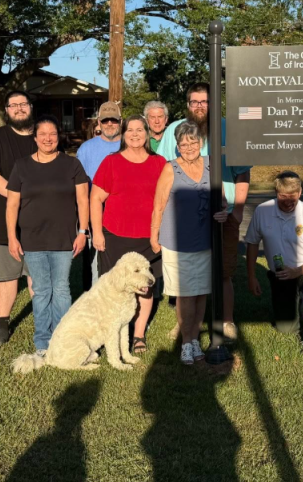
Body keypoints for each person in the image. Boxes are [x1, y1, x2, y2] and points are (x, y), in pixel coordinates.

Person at [156, 82, 251, 342]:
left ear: (213, 103)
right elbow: (163, 170)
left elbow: (243, 171)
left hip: (223, 214)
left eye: (205, 101)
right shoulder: (173, 130)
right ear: (187, 104)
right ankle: (186, 326)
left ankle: (226, 320)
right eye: (194, 101)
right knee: (186, 275)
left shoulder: (228, 129)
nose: (200, 106)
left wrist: (239, 210)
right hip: (185, 217)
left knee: (223, 271)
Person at [6, 115, 89, 356]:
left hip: (64, 239)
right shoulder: (21, 166)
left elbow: (82, 200)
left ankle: (62, 338)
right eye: (42, 134)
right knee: (42, 290)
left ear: (58, 137)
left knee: (61, 289)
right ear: (35, 138)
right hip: (32, 240)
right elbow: (12, 205)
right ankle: (43, 341)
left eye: (52, 134)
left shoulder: (71, 165)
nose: (48, 138)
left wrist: (82, 232)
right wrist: (12, 237)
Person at [92, 115, 166, 354]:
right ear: (123, 135)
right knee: (113, 289)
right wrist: (96, 232)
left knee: (145, 287)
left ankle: (138, 333)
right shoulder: (111, 162)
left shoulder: (159, 163)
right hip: (114, 234)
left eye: (140, 130)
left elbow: (166, 200)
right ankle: (109, 333)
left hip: (149, 236)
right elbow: (96, 198)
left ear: (147, 133)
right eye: (130, 130)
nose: (135, 134)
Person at [245, 171, 303, 356]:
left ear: (300, 192)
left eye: (293, 195)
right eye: (283, 196)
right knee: (286, 328)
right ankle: (298, 304)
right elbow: (252, 243)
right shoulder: (262, 211)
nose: (288, 200)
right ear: (276, 192)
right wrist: (251, 276)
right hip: (282, 273)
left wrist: (298, 271)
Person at [0, 91, 37, 346]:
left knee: (38, 273)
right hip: (0, 218)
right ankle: (3, 324)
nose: (19, 109)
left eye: (23, 104)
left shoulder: (43, 136)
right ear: (7, 111)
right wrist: (19, 197)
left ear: (30, 107)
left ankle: (44, 322)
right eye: (14, 105)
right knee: (7, 275)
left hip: (38, 219)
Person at [150, 121, 210, 364]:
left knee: (201, 291)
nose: (188, 147)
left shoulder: (210, 165)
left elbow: (220, 198)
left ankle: (195, 338)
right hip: (176, 242)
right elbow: (159, 204)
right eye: (183, 143)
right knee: (185, 293)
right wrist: (154, 234)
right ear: (177, 146)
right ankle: (186, 342)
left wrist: (222, 210)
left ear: (201, 143)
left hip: (205, 240)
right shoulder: (170, 169)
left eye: (193, 141)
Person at [77, 101, 123, 292]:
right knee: (95, 258)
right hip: (95, 209)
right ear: (99, 122)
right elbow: (79, 188)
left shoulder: (130, 144)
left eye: (113, 120)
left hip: (123, 211)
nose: (110, 124)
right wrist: (83, 221)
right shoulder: (86, 149)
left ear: (121, 121)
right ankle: (95, 297)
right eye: (106, 121)